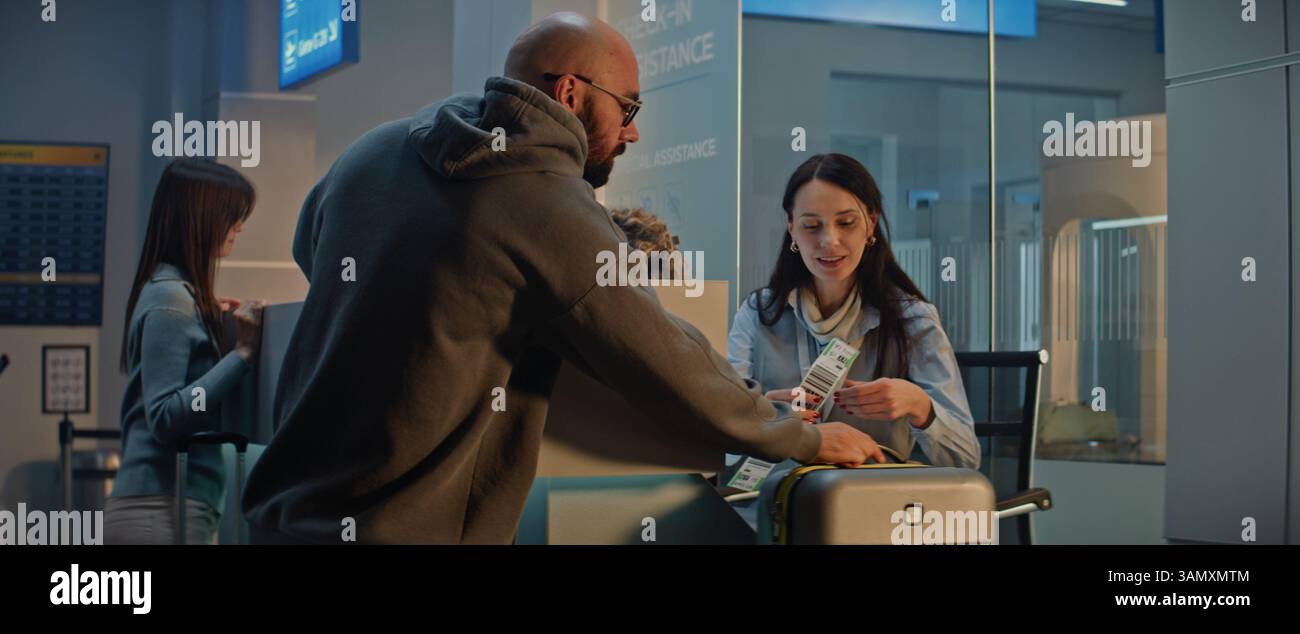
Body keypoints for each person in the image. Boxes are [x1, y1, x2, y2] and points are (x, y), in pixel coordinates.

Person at [242, 12, 883, 544]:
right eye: (627, 107)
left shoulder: (372, 151)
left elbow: (312, 249)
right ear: (570, 93)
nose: (633, 130)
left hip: (280, 515)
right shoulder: (545, 201)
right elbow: (660, 355)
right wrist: (804, 437)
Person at [728, 153, 980, 469]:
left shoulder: (913, 321)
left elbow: (966, 459)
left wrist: (919, 406)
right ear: (791, 229)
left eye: (846, 223)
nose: (829, 241)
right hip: (776, 505)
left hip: (871, 506)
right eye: (811, 226)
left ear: (870, 224)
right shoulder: (757, 313)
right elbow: (723, 446)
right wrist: (764, 419)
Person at [105, 158, 265, 545]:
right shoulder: (170, 299)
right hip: (158, 511)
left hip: (168, 508)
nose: (239, 227)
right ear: (202, 218)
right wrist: (240, 356)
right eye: (232, 216)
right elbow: (164, 418)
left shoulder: (175, 296)